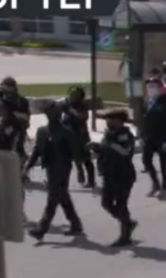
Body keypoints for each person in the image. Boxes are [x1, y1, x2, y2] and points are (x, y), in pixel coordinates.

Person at [24, 102, 84, 241]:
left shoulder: (66, 131)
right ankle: (76, 224)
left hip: (63, 168)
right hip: (50, 168)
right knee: (62, 196)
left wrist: (80, 170)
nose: (52, 115)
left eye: (54, 113)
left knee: (53, 198)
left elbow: (75, 152)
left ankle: (41, 229)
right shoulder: (42, 131)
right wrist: (27, 167)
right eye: (49, 113)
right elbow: (37, 151)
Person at [90, 109, 138, 246]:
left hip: (123, 175)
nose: (107, 122)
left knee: (122, 205)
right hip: (109, 174)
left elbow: (125, 152)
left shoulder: (126, 135)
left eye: (111, 120)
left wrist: (107, 145)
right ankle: (128, 223)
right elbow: (106, 150)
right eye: (107, 120)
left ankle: (125, 236)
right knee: (106, 203)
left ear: (119, 121)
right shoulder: (109, 134)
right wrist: (97, 148)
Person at [141, 77, 166, 197]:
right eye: (149, 87)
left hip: (162, 138)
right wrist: (142, 136)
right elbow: (143, 121)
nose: (150, 89)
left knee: (163, 161)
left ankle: (164, 188)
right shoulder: (147, 101)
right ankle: (155, 183)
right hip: (149, 137)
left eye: (153, 86)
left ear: (160, 88)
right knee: (146, 161)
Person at [61, 86, 95, 188]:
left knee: (86, 158)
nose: (71, 96)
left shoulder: (81, 106)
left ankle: (91, 180)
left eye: (75, 94)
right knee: (69, 158)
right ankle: (78, 174)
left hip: (81, 136)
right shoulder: (66, 105)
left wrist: (70, 110)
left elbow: (82, 117)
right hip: (68, 136)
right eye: (71, 93)